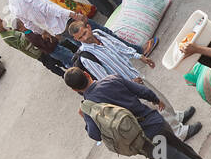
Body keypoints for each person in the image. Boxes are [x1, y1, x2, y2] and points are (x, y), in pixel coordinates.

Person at [66, 67, 211, 159]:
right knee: (179, 146)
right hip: (157, 122)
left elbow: (95, 134)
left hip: (147, 141)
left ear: (74, 90)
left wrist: (84, 117)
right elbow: (142, 91)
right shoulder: (112, 79)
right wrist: (156, 100)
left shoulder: (88, 108)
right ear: (87, 74)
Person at [67, 17, 196, 131]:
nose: (85, 38)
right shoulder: (86, 57)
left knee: (157, 96)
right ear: (76, 39)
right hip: (129, 86)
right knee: (155, 106)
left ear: (88, 27)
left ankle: (176, 117)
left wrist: (139, 56)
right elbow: (106, 79)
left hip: (134, 74)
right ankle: (178, 131)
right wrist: (129, 84)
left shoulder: (99, 34)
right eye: (80, 38)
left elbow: (119, 46)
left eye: (85, 33)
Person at [0, 14, 74, 76]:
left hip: (41, 46)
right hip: (36, 52)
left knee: (57, 58)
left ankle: (70, 68)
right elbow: (21, 45)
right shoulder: (7, 38)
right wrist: (25, 32)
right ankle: (64, 74)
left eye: (1, 20)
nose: (3, 22)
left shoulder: (8, 27)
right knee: (50, 64)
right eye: (1, 22)